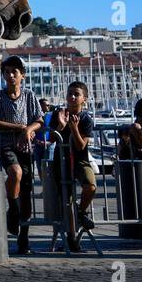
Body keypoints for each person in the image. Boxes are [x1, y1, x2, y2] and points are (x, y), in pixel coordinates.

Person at [0, 56, 44, 255]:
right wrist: (19, 127)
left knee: (27, 193)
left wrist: (28, 130)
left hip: (26, 148)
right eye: (6, 72)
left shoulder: (29, 96)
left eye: (14, 72)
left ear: (22, 76)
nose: (10, 76)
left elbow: (39, 120)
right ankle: (13, 209)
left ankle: (23, 237)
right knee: (15, 173)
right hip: (5, 146)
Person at [50, 81, 97, 252]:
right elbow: (50, 138)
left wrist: (74, 128)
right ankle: (71, 238)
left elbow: (80, 146)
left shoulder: (86, 119)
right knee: (67, 199)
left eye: (76, 94)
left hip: (80, 160)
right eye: (70, 93)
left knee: (90, 185)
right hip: (60, 160)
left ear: (84, 99)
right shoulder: (58, 114)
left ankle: (81, 211)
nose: (72, 97)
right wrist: (61, 126)